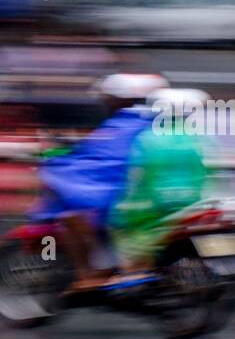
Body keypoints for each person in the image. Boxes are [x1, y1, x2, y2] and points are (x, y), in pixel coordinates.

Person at [29, 73, 168, 291]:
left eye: (107, 99)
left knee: (69, 214)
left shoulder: (121, 125)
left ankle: (87, 275)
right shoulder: (149, 123)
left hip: (126, 198)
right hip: (157, 195)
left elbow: (94, 160)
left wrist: (56, 164)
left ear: (116, 100)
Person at [106, 88, 212, 280]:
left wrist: (123, 209)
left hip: (157, 206)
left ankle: (133, 272)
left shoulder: (147, 139)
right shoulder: (202, 139)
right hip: (193, 204)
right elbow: (210, 172)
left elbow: (136, 178)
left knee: (117, 222)